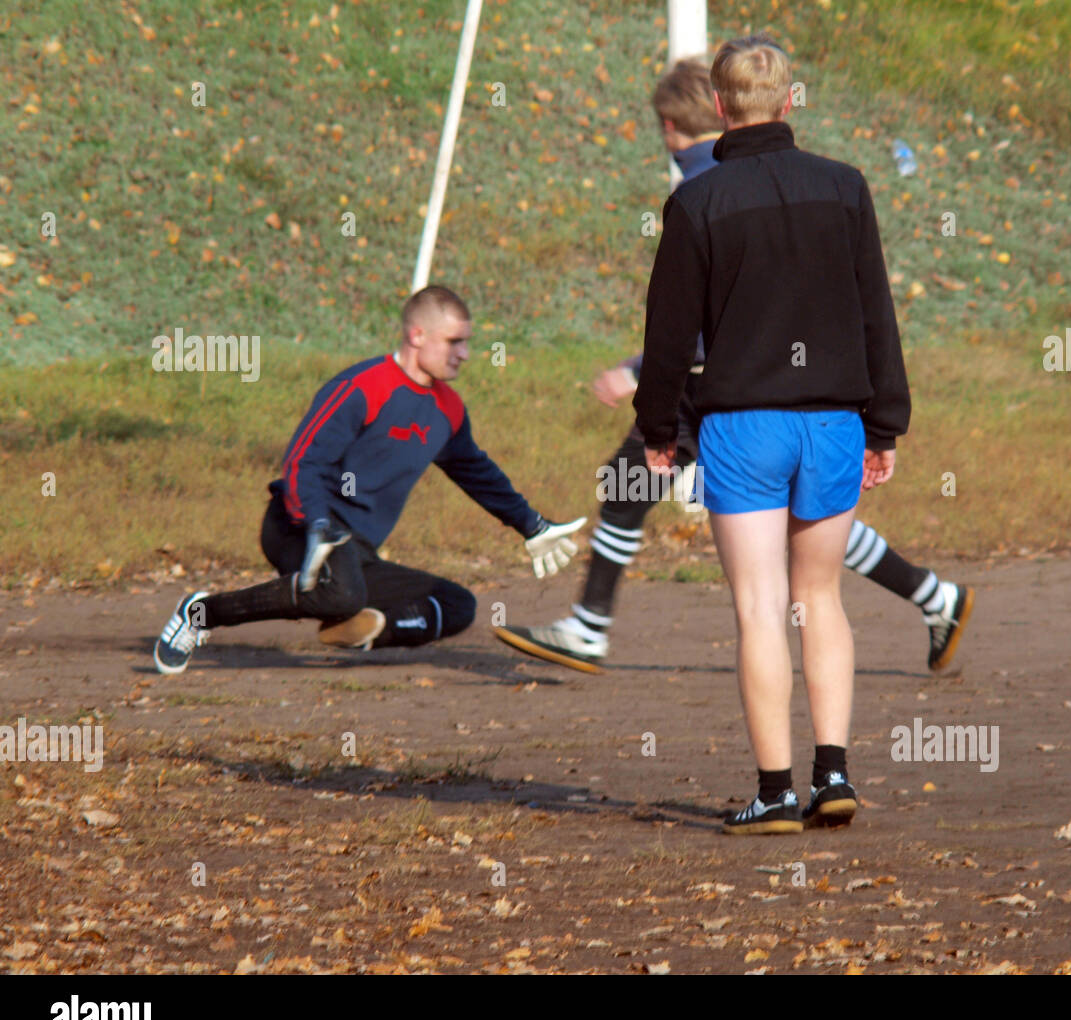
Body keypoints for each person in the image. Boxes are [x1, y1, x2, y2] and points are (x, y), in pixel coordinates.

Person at [493, 56, 972, 680]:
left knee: (646, 490)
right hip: (786, 394)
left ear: (677, 122)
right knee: (793, 521)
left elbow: (695, 314)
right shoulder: (823, 183)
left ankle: (590, 629)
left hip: (720, 389)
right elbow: (868, 309)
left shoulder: (703, 185)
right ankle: (933, 600)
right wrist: (886, 421)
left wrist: (641, 376)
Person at [634, 35, 924, 834]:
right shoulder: (845, 187)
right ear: (791, 100)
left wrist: (659, 427)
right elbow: (877, 314)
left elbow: (669, 333)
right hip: (833, 422)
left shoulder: (698, 202)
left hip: (742, 426)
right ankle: (833, 774)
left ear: (720, 108)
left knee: (761, 609)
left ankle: (774, 792)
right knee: (820, 598)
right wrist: (885, 422)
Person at [152, 285, 585, 674]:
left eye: (467, 342)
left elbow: (476, 473)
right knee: (341, 591)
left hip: (356, 554)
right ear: (418, 335)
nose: (465, 353)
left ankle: (366, 627)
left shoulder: (447, 410)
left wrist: (531, 525)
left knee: (457, 605)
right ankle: (200, 614)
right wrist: (317, 524)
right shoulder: (362, 386)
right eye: (455, 341)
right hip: (295, 525)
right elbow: (304, 461)